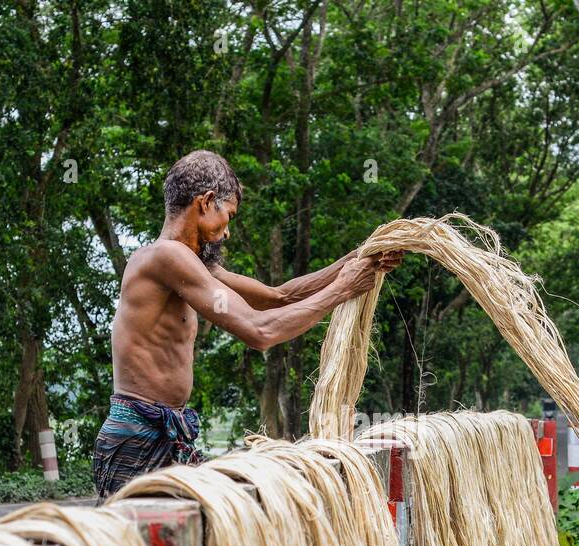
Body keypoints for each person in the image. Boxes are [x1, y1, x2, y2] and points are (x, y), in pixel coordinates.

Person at [93, 149, 402, 500]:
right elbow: (260, 332)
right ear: (207, 202)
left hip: (168, 431)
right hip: (138, 433)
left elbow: (278, 297)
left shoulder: (191, 263)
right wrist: (344, 287)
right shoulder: (166, 257)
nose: (227, 232)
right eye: (229, 215)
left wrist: (359, 258)